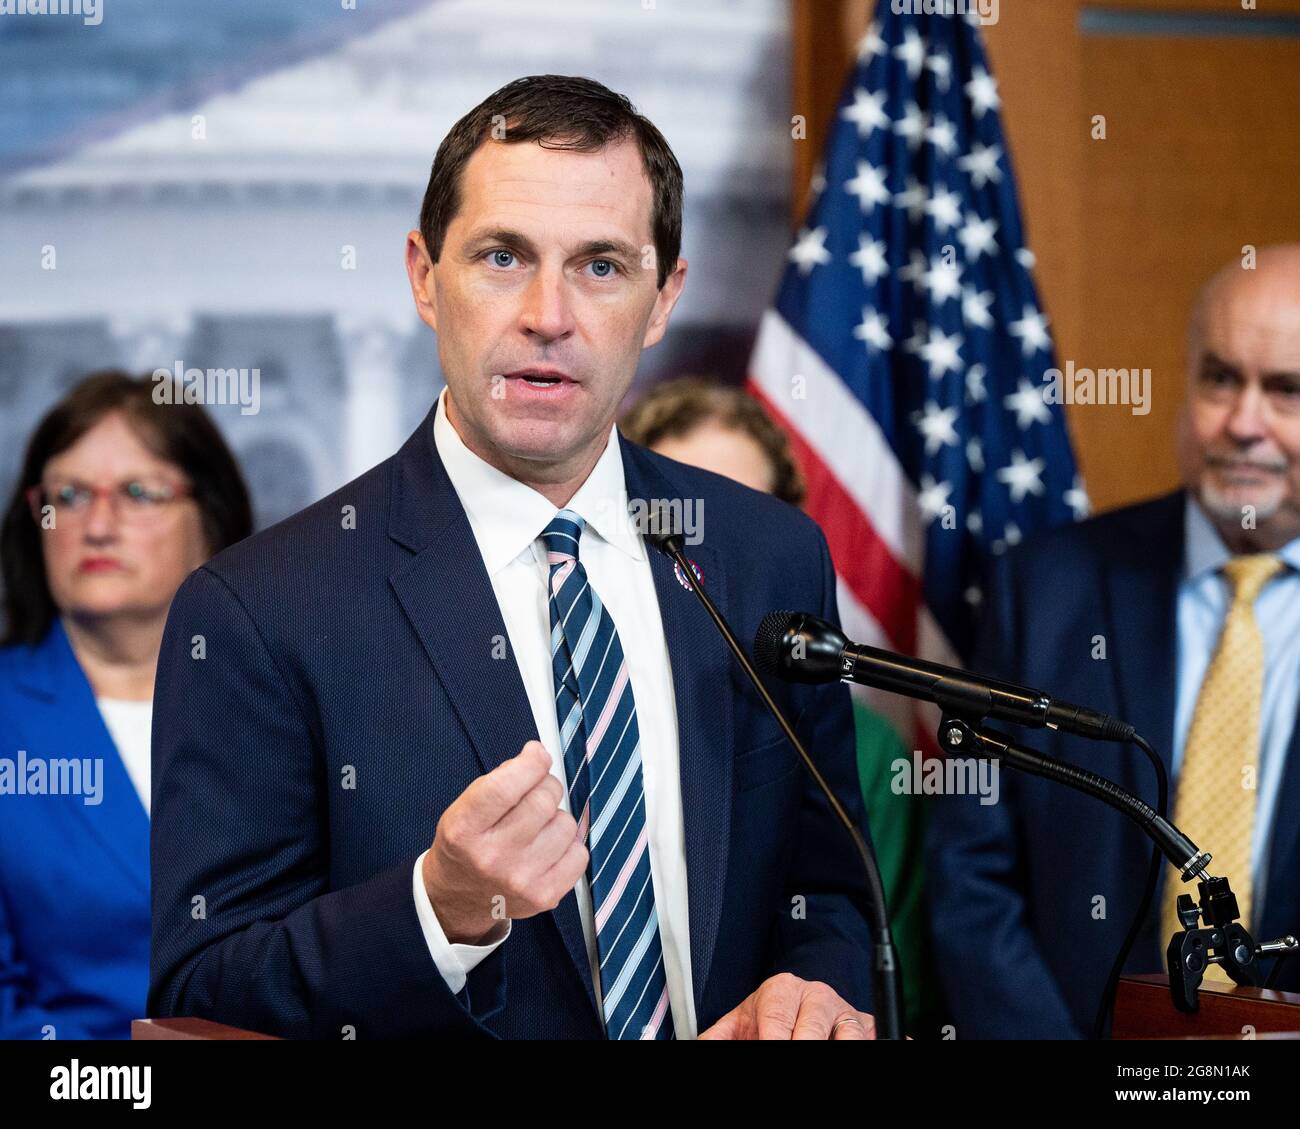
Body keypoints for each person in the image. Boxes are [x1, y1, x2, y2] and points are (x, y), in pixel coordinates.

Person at [148, 75, 879, 1040]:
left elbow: (825, 891)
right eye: (503, 257)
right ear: (422, 275)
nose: (548, 314)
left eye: (602, 267)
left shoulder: (766, 556)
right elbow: (201, 988)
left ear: (664, 299)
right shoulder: (257, 608)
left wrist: (811, 989)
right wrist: (436, 907)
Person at [927, 246, 1300, 1038]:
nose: (1243, 422)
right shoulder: (1047, 587)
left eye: (1286, 391)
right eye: (1221, 378)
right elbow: (972, 877)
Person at [621, 376, 938, 1032]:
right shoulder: (585, 702)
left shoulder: (869, 753)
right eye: (677, 520)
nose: (700, 553)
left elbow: (876, 961)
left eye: (736, 512)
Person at [0, 370, 252, 1039]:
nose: (98, 525)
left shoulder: (298, 699)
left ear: (213, 516)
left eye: (139, 493)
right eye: (70, 496)